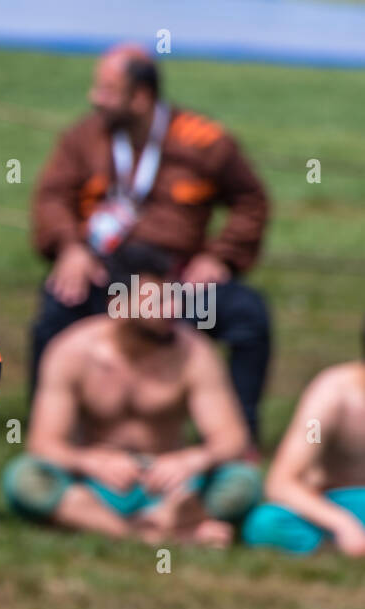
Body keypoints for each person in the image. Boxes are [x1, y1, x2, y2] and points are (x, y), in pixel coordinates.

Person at [29, 43, 271, 444]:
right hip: (107, 280)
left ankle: (238, 437)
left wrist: (220, 257)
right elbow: (52, 197)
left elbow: (251, 200)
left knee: (248, 315)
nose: (95, 99)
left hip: (178, 287)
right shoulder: (82, 139)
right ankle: (50, 436)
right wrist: (69, 247)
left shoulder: (203, 141)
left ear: (140, 97)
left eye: (106, 90)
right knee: (56, 310)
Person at [4, 243, 261, 545]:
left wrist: (189, 461)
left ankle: (112, 524)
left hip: (171, 484)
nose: (174, 310)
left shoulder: (195, 352)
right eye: (158, 301)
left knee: (244, 481)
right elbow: (43, 443)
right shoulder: (71, 351)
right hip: (98, 483)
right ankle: (160, 532)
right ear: (118, 302)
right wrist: (91, 462)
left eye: (176, 297)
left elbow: (232, 439)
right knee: (24, 478)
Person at [242, 328, 365, 555]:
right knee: (266, 523)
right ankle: (334, 545)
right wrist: (343, 524)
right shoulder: (333, 393)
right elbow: (281, 482)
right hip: (332, 505)